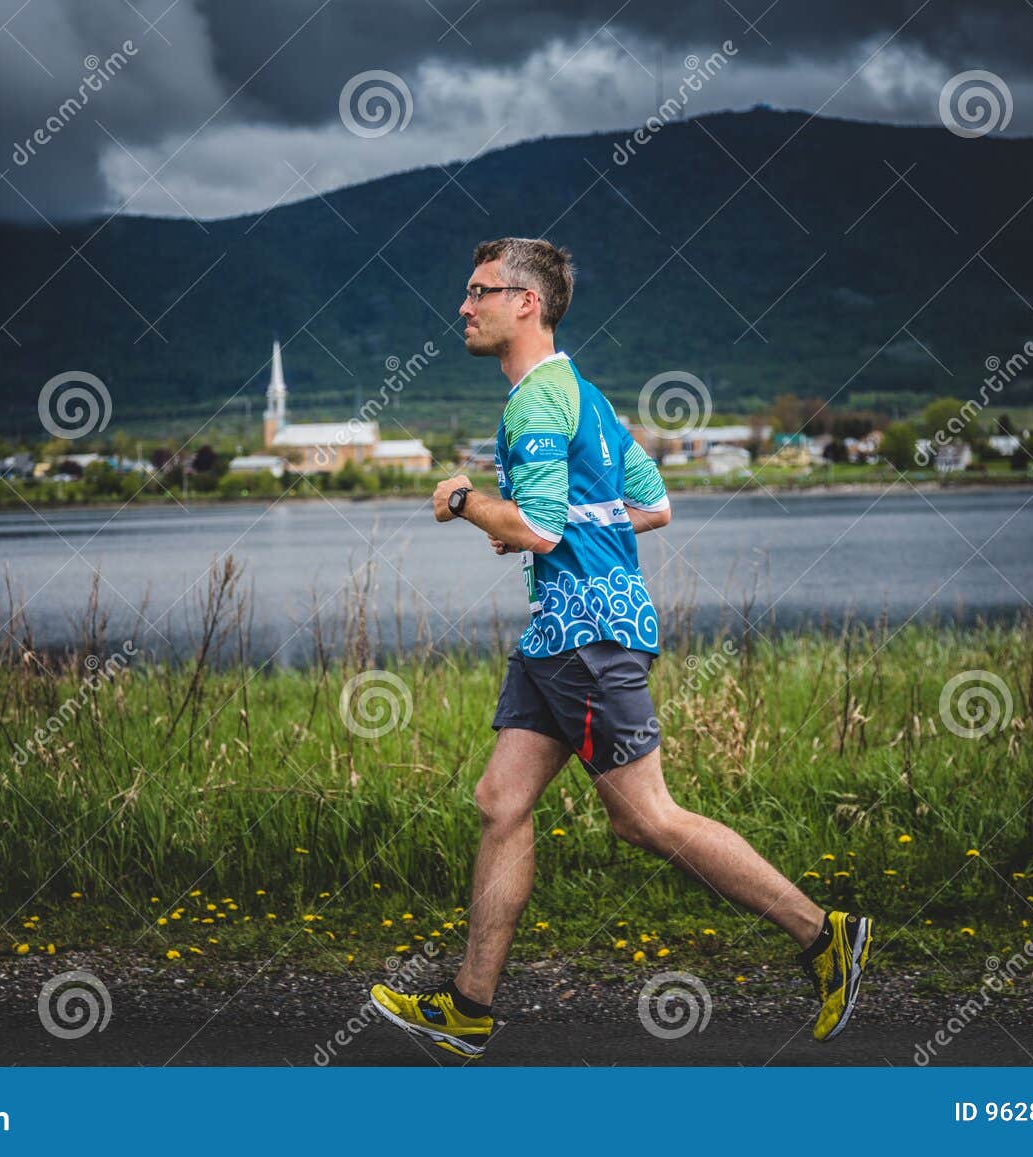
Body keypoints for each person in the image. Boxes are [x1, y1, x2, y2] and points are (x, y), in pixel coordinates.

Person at [369, 237, 872, 1059]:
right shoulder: (588, 399)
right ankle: (468, 1006)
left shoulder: (536, 403)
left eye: (479, 291)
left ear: (525, 302)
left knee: (646, 818)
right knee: (502, 801)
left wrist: (466, 500)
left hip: (587, 639)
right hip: (558, 637)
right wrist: (543, 533)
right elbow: (652, 505)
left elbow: (537, 521)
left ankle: (824, 936)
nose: (463, 307)